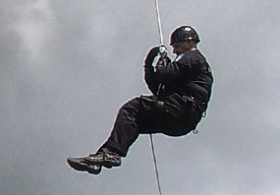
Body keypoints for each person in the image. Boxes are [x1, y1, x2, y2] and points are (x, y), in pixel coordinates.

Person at [67, 25, 211, 175]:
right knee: (133, 123)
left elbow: (165, 75)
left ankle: (111, 154)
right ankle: (103, 156)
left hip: (181, 109)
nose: (174, 51)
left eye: (176, 47)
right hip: (181, 120)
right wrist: (149, 66)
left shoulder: (193, 57)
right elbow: (158, 89)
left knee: (131, 109)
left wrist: (162, 67)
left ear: (189, 43)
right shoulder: (187, 67)